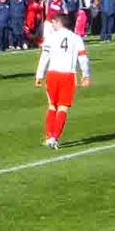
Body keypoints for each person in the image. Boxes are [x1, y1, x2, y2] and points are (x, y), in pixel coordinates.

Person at [35, 14, 90, 149]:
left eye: (53, 22)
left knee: (52, 106)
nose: (52, 25)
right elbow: (83, 58)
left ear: (59, 22)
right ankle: (54, 137)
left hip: (52, 74)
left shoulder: (51, 37)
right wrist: (86, 74)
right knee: (63, 107)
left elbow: (44, 57)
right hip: (68, 75)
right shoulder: (76, 38)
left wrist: (39, 75)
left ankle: (49, 137)